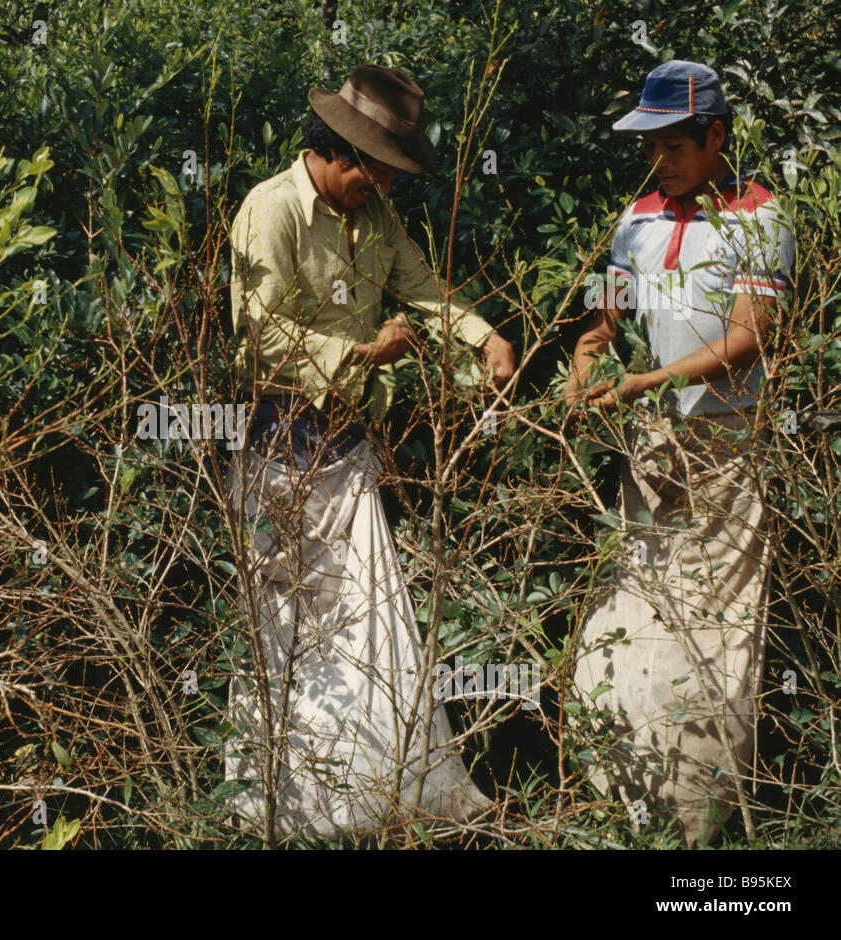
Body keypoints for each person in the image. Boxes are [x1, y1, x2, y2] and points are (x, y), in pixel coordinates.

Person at [225, 63, 515, 842]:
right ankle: (286, 810)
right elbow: (258, 337)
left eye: (389, 177)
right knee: (287, 634)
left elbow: (420, 286)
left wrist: (485, 337)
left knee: (368, 629)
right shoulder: (270, 210)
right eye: (375, 173)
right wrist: (361, 357)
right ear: (336, 150)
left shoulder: (374, 215)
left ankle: (369, 800)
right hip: (279, 455)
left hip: (347, 449)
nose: (382, 189)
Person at [568, 61, 794, 844]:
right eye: (651, 146)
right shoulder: (635, 220)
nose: (659, 160)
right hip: (650, 449)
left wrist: (648, 380)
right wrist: (584, 373)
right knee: (637, 614)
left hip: (727, 444)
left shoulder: (759, 219)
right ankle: (628, 801)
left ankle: (699, 823)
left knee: (719, 627)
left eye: (674, 145)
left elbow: (749, 337)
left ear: (716, 137)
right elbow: (605, 320)